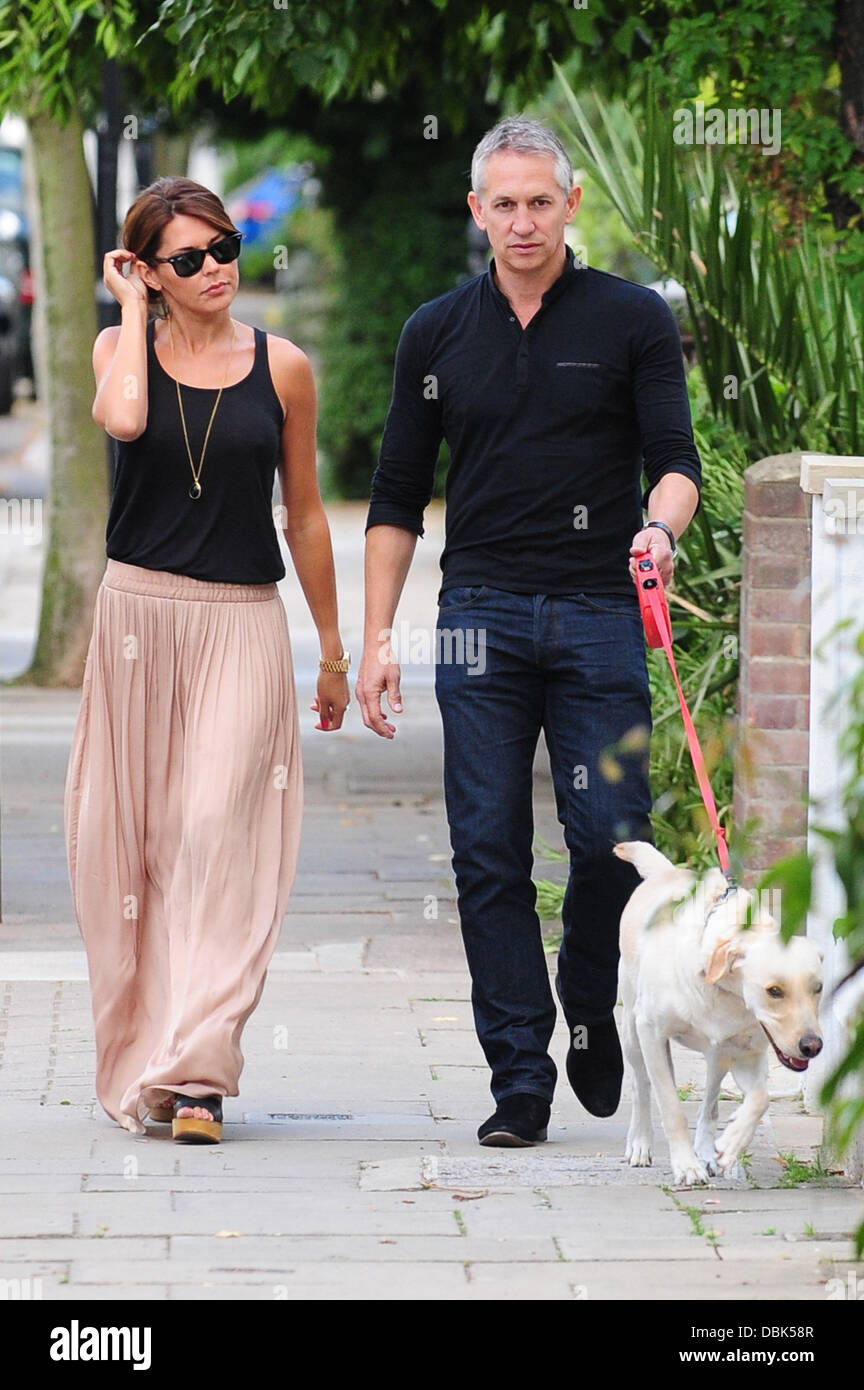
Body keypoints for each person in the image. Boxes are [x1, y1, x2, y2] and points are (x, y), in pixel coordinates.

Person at [356, 119, 701, 1147]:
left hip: (599, 611)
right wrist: (377, 635)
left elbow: (674, 459)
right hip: (479, 622)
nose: (521, 220)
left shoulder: (630, 318)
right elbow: (395, 495)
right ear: (477, 210)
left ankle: (589, 1001)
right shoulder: (436, 333)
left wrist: (658, 529)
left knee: (611, 841)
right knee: (487, 847)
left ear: (571, 202)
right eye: (502, 203)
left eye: (538, 201)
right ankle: (518, 1075)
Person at [64, 177, 349, 1143]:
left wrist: (336, 650)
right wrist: (135, 311)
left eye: (222, 246)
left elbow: (305, 513)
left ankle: (197, 1075)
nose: (217, 268)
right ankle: (144, 1052)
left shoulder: (286, 367)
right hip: (138, 619)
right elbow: (127, 423)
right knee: (126, 845)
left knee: (214, 831)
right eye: (187, 259)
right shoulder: (118, 350)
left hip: (240, 621)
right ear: (147, 271)